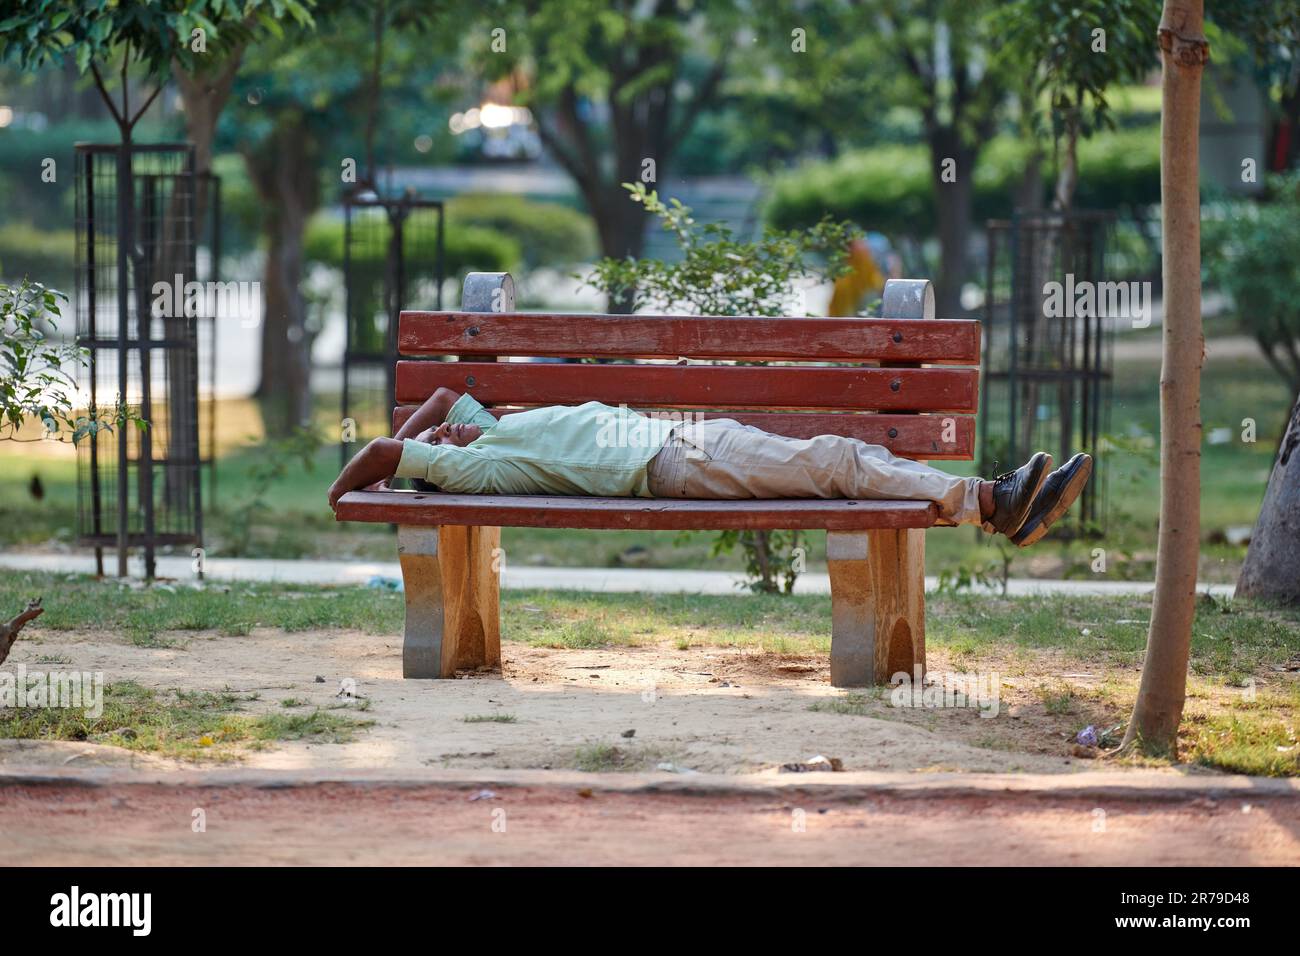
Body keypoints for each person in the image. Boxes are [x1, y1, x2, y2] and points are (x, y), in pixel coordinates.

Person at [327, 388, 1092, 546]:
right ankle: (994, 503)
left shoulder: (487, 431)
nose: (447, 431)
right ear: (440, 468)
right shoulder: (479, 472)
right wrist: (350, 492)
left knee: (836, 462)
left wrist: (429, 436)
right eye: (438, 446)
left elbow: (433, 399)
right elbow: (386, 450)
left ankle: (1003, 507)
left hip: (688, 437)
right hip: (673, 463)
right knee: (835, 461)